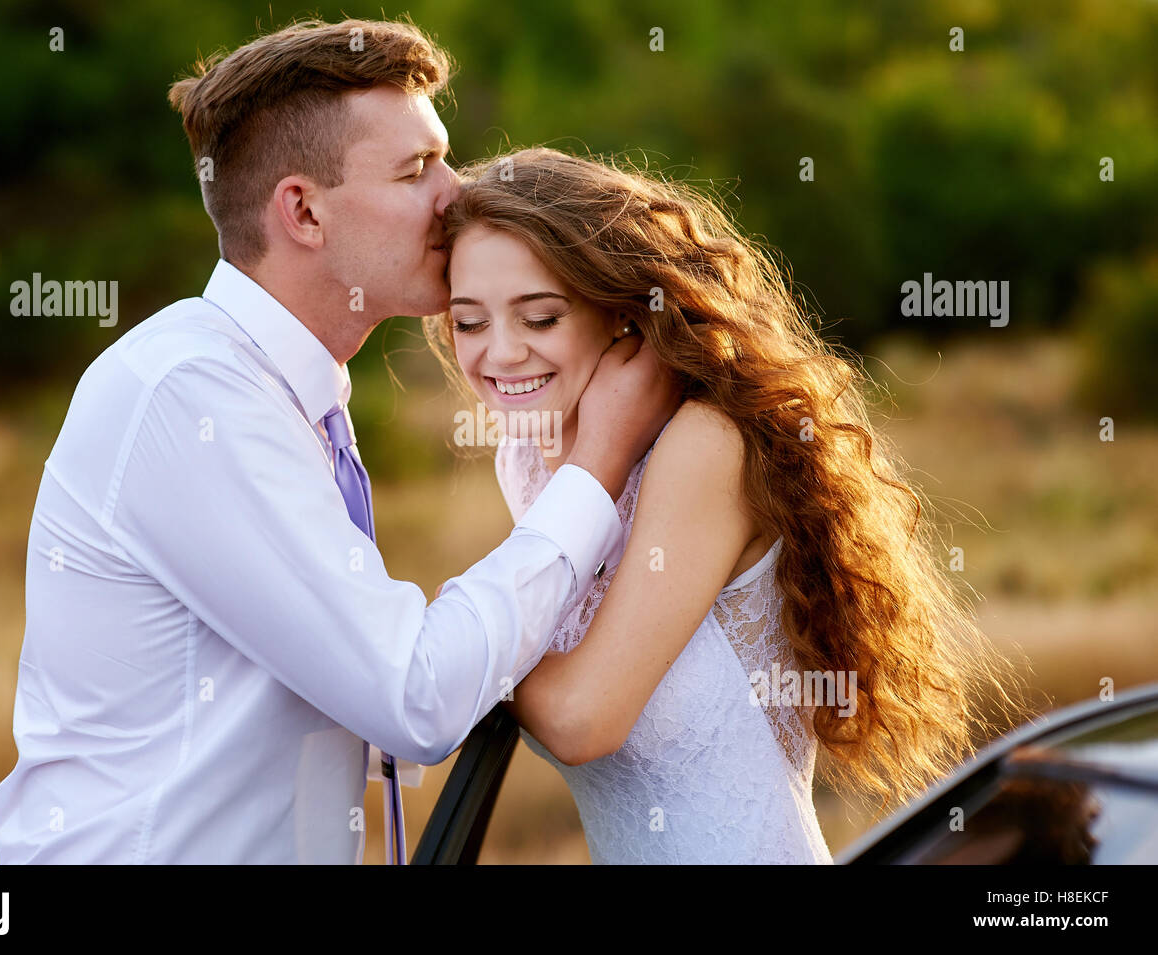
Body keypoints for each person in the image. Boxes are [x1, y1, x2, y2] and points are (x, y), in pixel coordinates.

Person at [0, 20, 679, 864]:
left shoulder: (293, 398)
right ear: (304, 210)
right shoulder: (190, 394)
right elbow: (412, 695)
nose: (455, 193)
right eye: (417, 168)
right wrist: (598, 464)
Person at [424, 147, 1026, 863]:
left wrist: (450, 655)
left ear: (619, 309)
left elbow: (585, 718)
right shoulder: (528, 458)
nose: (500, 354)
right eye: (469, 323)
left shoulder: (704, 444)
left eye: (541, 318)